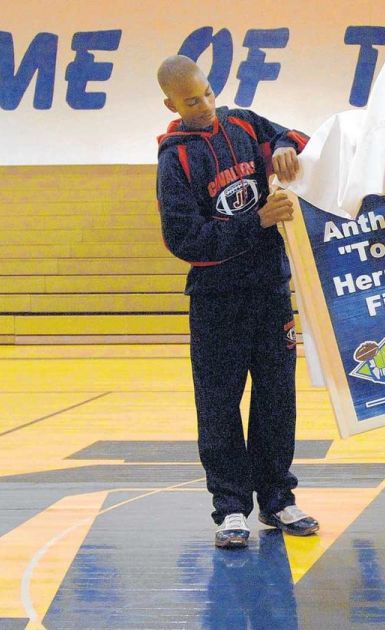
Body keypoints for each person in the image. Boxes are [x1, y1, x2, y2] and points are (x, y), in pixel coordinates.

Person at [155, 55, 318, 548]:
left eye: (206, 92)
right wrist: (257, 221)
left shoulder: (244, 122)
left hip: (270, 288)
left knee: (277, 396)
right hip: (217, 300)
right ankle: (230, 508)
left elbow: (297, 137)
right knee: (219, 404)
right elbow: (186, 241)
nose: (204, 105)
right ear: (171, 104)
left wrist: (287, 149)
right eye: (191, 101)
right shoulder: (174, 159)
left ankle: (277, 497)